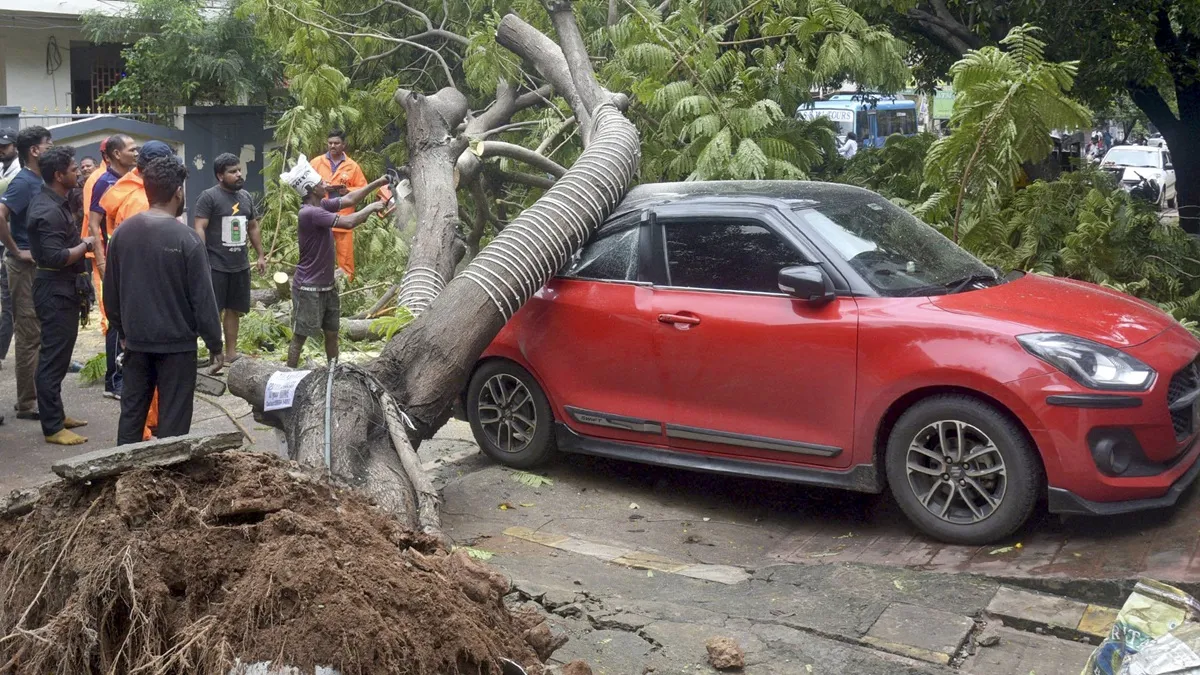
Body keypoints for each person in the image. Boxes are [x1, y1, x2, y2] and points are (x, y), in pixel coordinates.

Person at [105, 156, 223, 445]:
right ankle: (170, 470)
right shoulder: (188, 240)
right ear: (178, 192)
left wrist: (123, 331)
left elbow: (111, 294)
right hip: (178, 348)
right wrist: (215, 344)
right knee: (174, 422)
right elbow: (203, 300)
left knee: (132, 414)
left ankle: (124, 467)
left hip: (136, 343)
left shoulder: (122, 234)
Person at [99, 139, 175, 439]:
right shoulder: (140, 202)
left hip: (129, 288)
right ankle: (142, 431)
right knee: (144, 373)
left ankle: (148, 425)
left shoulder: (128, 191)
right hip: (141, 293)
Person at [280, 155, 386, 368]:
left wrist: (378, 183)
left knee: (332, 333)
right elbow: (349, 221)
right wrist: (372, 207)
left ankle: (333, 371)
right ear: (311, 188)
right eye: (321, 183)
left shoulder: (322, 204)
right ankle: (288, 374)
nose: (326, 184)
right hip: (308, 287)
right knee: (300, 336)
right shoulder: (310, 213)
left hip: (327, 285)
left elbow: (349, 200)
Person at [27, 145, 94, 445]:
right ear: (58, 175)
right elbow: (56, 257)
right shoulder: (48, 210)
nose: (78, 172)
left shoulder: (57, 201)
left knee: (59, 356)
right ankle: (53, 427)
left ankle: (56, 413)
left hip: (63, 289)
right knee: (52, 359)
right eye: (73, 169)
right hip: (54, 291)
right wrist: (86, 245)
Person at [0, 126, 53, 422]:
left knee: (38, 331)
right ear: (34, 150)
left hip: (36, 266)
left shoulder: (38, 179)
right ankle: (27, 403)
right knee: (29, 333)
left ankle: (36, 396)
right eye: (49, 145)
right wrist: (17, 250)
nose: (51, 149)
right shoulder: (23, 181)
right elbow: (1, 214)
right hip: (22, 267)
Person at [194, 153, 264, 367]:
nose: (239, 174)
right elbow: (199, 227)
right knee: (213, 311)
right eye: (233, 172)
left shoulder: (246, 197)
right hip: (215, 264)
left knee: (234, 309)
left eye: (239, 170)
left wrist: (261, 255)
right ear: (220, 175)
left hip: (240, 264)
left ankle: (231, 353)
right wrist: (202, 257)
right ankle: (214, 353)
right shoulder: (209, 197)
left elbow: (253, 226)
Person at [87, 135, 138, 400]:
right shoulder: (105, 182)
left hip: (131, 261)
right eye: (132, 149)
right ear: (117, 154)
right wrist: (102, 261)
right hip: (112, 262)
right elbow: (94, 224)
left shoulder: (132, 179)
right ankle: (114, 380)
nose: (136, 153)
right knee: (115, 321)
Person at [310, 129, 368, 281]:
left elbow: (363, 188)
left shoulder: (352, 166)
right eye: (330, 143)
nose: (332, 146)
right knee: (319, 254)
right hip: (321, 216)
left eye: (336, 143)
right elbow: (306, 186)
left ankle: (347, 283)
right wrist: (321, 187)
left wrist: (348, 190)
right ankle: (319, 281)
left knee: (346, 258)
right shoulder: (316, 163)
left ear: (344, 145)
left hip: (344, 218)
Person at [0, 128, 17, 375]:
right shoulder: (3, 170)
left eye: (5, 146)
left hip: (14, 245)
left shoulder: (20, 174)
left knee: (11, 305)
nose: (1, 150)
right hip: (6, 246)